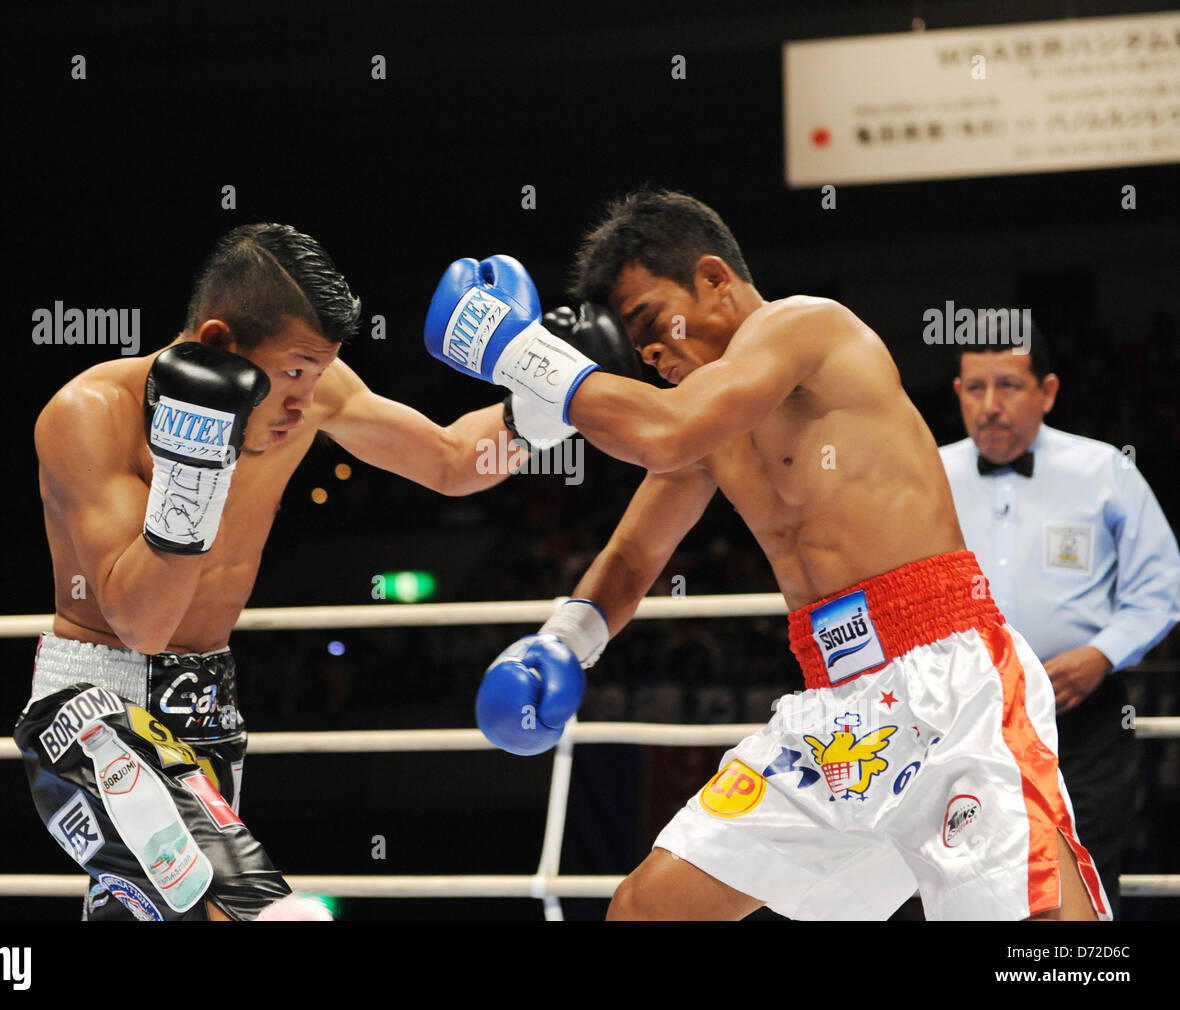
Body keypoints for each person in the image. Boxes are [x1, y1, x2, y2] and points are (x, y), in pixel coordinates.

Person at [424, 188, 1110, 921]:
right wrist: (564, 641)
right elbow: (632, 557)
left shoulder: (806, 327)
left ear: (715, 278)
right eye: (639, 345)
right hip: (835, 712)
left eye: (653, 322)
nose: (653, 353)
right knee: (647, 911)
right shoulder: (706, 421)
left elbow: (661, 431)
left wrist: (514, 349)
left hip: (952, 677)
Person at [16, 222, 530, 921]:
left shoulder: (311, 392)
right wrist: (193, 466)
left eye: (317, 375)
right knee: (259, 913)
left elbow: (452, 462)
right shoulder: (90, 413)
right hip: (93, 707)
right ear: (220, 344)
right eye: (293, 372)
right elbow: (141, 623)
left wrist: (551, 387)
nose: (304, 401)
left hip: (208, 711)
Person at [940, 321, 1180, 914]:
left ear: (1047, 392)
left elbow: (1161, 584)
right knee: (956, 875)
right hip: (959, 714)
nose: (990, 407)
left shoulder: (1104, 470)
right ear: (957, 391)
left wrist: (1102, 654)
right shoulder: (927, 477)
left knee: (1088, 868)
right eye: (975, 388)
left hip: (1082, 713)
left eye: (1008, 386)